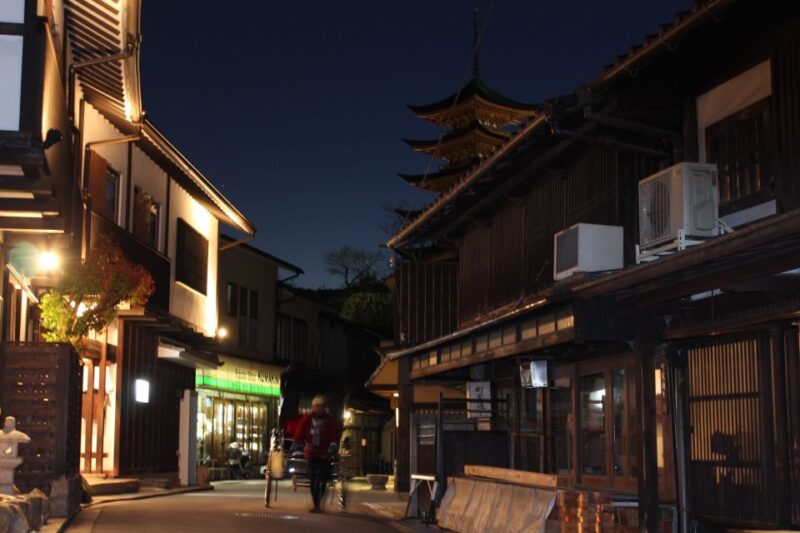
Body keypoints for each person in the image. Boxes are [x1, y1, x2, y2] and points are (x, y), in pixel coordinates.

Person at [291, 395, 341, 513]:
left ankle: (318, 502)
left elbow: (334, 436)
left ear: (324, 408)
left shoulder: (330, 421)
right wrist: (296, 444)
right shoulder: (307, 419)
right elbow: (299, 433)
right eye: (316, 407)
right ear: (313, 407)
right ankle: (316, 504)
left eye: (320, 407)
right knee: (312, 478)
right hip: (311, 453)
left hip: (325, 453)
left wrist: (332, 447)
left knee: (323, 479)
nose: (318, 409)